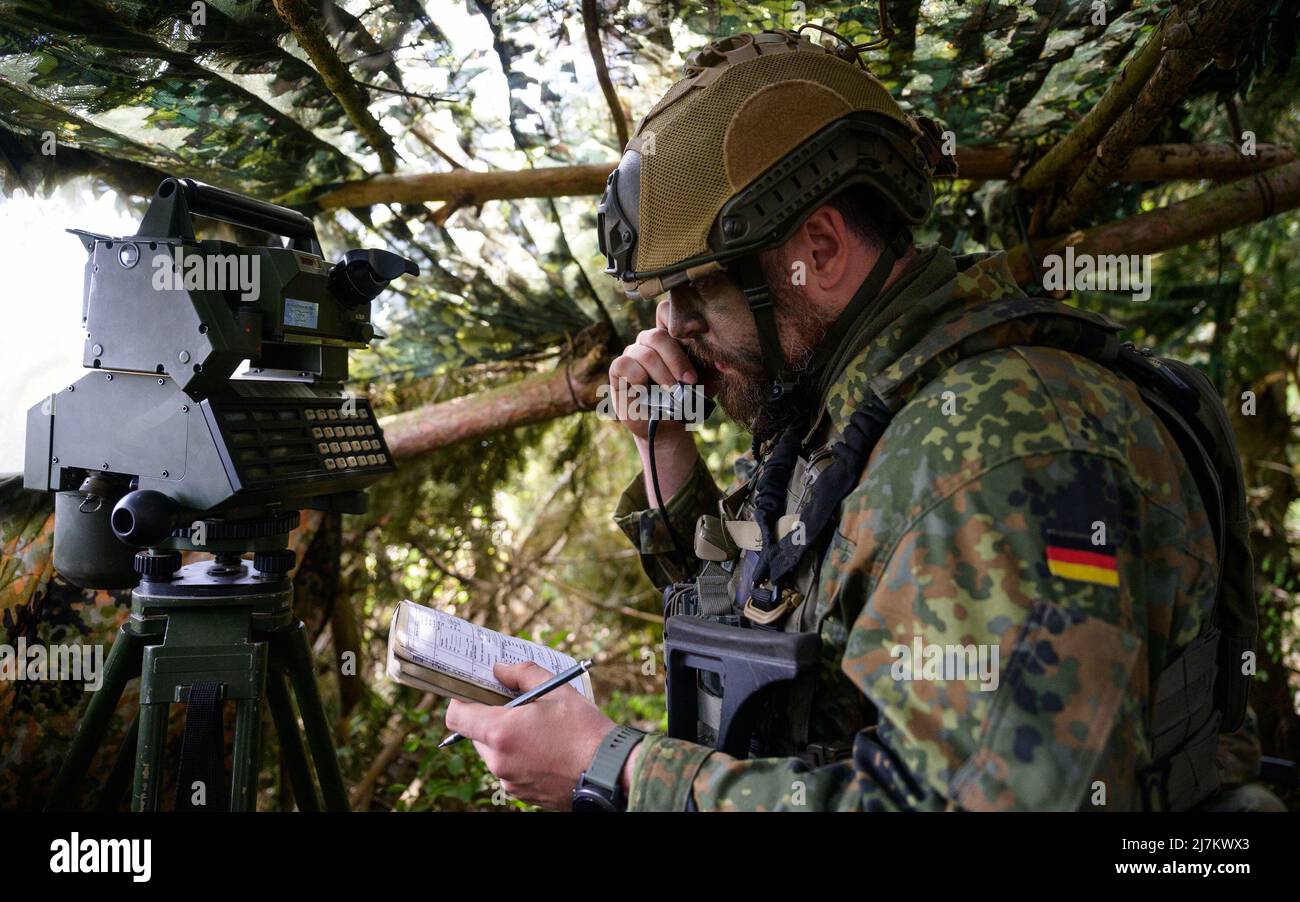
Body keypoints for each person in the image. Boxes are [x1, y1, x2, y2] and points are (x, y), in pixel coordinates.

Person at [445, 27, 1234, 812]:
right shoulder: (855, 412)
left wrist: (615, 771)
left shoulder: (989, 447)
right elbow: (772, 619)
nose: (666, 326)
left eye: (695, 291)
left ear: (818, 250)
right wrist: (668, 451)